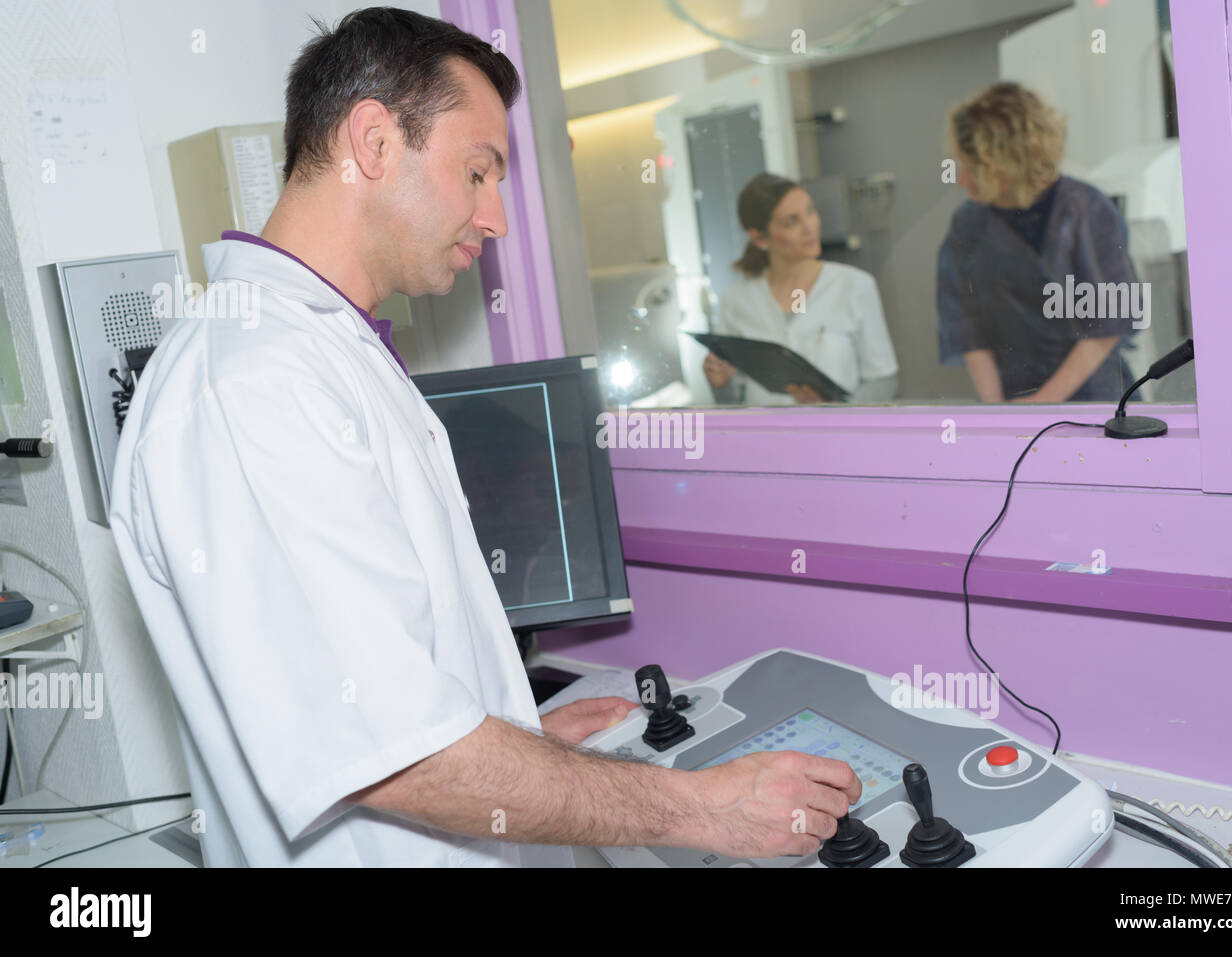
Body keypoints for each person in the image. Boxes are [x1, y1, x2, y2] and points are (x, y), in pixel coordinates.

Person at [109, 8, 858, 867]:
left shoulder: (327, 352)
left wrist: (517, 735)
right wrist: (705, 808)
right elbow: (394, 755)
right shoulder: (251, 382)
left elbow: (377, 685)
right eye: (478, 171)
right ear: (373, 141)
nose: (495, 217)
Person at [938, 82, 1138, 403]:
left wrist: (1041, 404)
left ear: (1003, 164)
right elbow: (968, 329)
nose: (961, 179)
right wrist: (999, 412)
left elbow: (1108, 324)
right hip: (1013, 400)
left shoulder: (1087, 209)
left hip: (1095, 400)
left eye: (971, 168)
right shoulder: (968, 225)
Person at [702, 173, 899, 405]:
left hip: (836, 439)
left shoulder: (855, 286)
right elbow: (733, 401)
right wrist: (720, 385)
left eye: (810, 211)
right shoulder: (736, 299)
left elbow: (883, 380)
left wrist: (833, 410)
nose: (810, 227)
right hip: (764, 439)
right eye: (791, 222)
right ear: (760, 239)